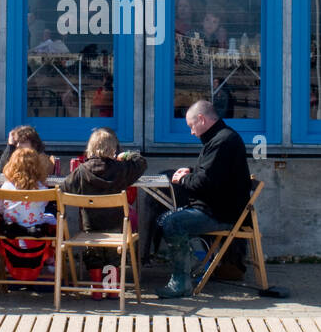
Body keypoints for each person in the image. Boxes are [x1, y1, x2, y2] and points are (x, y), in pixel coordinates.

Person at [156, 99, 252, 299]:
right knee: (166, 218)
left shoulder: (221, 142)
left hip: (221, 213)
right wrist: (190, 171)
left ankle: (181, 282)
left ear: (201, 119)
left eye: (191, 126)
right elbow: (213, 174)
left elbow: (204, 183)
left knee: (171, 222)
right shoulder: (222, 138)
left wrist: (184, 179)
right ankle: (188, 263)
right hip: (220, 207)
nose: (192, 132)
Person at [59, 128, 146, 287]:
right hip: (116, 226)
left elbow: (63, 189)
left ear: (90, 147)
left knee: (93, 255)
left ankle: (97, 289)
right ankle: (112, 288)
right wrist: (126, 155)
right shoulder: (122, 169)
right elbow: (141, 162)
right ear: (113, 148)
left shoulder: (82, 170)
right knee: (114, 256)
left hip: (91, 227)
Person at [0, 147, 58, 234]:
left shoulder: (6, 186)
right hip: (35, 224)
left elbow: (0, 209)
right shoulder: (41, 187)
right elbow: (44, 204)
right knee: (51, 217)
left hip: (11, 224)